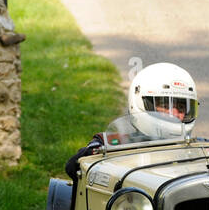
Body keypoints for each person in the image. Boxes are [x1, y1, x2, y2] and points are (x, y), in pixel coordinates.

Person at [65, 63, 200, 179]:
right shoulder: (114, 144)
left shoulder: (196, 147)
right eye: (166, 106)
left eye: (182, 107)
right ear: (140, 102)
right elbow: (72, 167)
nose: (175, 114)